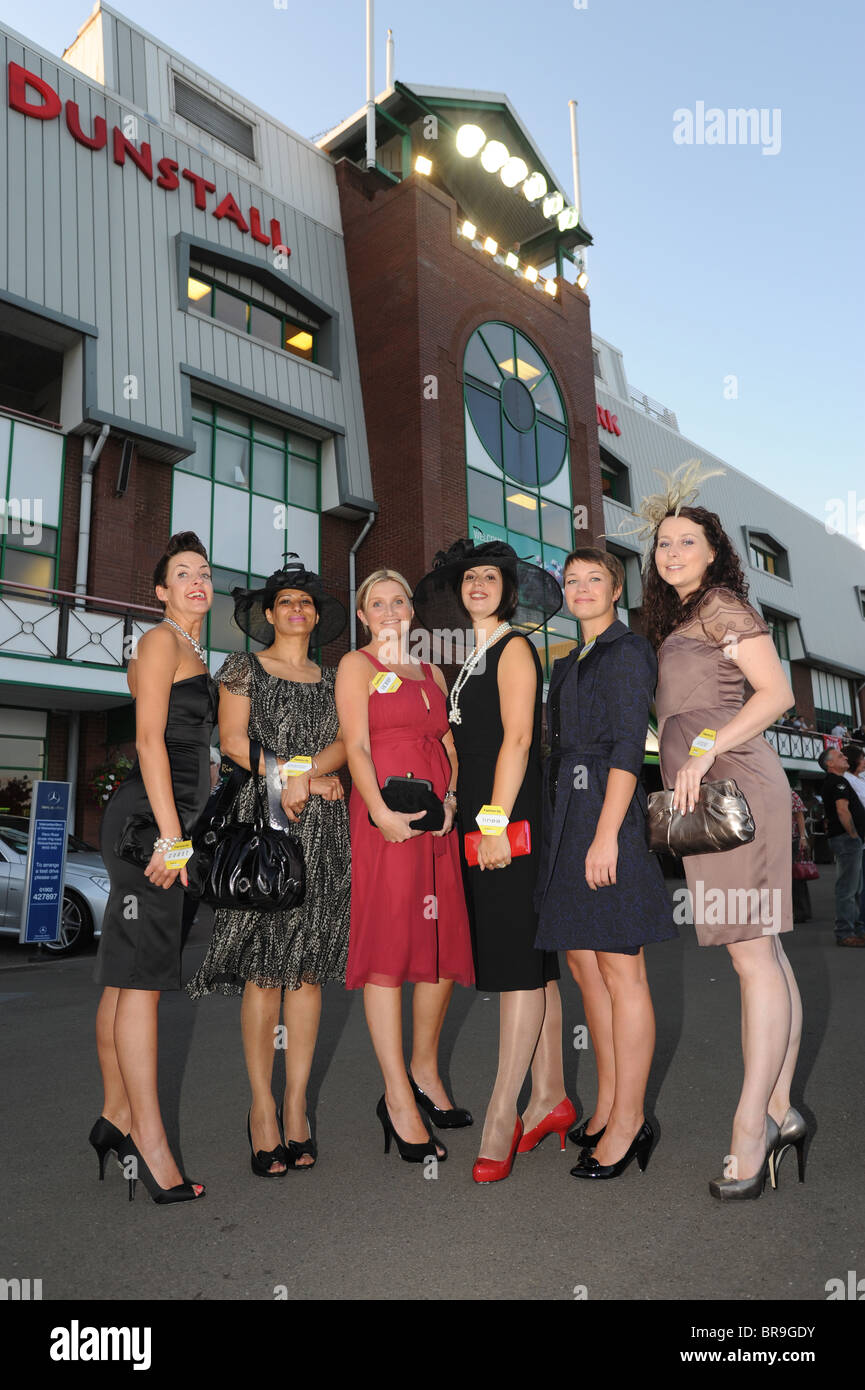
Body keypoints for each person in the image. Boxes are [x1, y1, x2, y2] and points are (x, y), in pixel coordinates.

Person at [632, 461, 805, 1200]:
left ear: (712, 552)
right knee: (762, 955)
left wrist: (701, 748)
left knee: (749, 961)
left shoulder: (721, 607)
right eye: (662, 544)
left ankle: (749, 1129)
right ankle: (779, 1107)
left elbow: (777, 692)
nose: (671, 553)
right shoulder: (678, 620)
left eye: (685, 542)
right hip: (711, 792)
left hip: (734, 785)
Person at [187, 559, 351, 1174]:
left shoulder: (335, 676)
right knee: (263, 971)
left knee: (306, 971)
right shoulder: (242, 667)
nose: (297, 611)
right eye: (286, 601)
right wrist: (291, 777)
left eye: (306, 603)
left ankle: (297, 1106)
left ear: (315, 616)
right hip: (262, 825)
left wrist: (313, 776)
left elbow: (344, 740)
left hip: (322, 832)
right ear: (270, 612)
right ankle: (261, 1111)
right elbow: (232, 741)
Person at [413, 540, 569, 1183]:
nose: (478, 584)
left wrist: (496, 820)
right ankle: (552, 1095)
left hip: (505, 821)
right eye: (470, 577)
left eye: (490, 578)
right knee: (532, 961)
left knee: (511, 966)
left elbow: (520, 738)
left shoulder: (513, 648)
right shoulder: (471, 655)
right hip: (477, 816)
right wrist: (454, 803)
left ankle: (504, 1110)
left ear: (509, 591)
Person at [534, 549, 677, 1180]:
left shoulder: (628, 651)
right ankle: (609, 1102)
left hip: (602, 811)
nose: (581, 588)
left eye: (595, 579)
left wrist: (607, 834)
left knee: (622, 968)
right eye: (572, 580)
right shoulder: (569, 659)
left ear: (616, 591)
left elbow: (627, 744)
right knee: (585, 967)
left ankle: (629, 1120)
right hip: (567, 809)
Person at [91, 532, 217, 1204]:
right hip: (151, 826)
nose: (198, 582)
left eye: (205, 572)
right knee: (142, 982)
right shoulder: (160, 641)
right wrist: (172, 837)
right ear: (161, 590)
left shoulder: (193, 649)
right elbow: (147, 740)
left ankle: (115, 1115)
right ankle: (149, 1142)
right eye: (183, 574)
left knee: (123, 976)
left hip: (159, 822)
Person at [335, 568, 474, 1165]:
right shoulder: (356, 666)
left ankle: (424, 1071)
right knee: (390, 951)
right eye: (377, 603)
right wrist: (378, 812)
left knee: (438, 950)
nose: (389, 611)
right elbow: (357, 745)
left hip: (435, 822)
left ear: (411, 611)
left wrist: (449, 802)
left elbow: (447, 745)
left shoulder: (434, 673)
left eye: (398, 601)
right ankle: (396, 1097)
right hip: (384, 823)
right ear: (364, 614)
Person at [818, 745, 865, 946]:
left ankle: (855, 929)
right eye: (840, 756)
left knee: (855, 887)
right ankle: (845, 933)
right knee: (848, 888)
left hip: (849, 840)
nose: (845, 757)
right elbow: (842, 810)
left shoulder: (840, 780)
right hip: (847, 840)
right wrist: (854, 835)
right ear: (830, 764)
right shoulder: (836, 782)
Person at [790, 788, 813, 924]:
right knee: (795, 879)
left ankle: (800, 912)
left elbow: (799, 815)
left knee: (796, 878)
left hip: (792, 841)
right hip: (782, 841)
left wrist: (803, 837)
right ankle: (799, 911)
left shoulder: (790, 794)